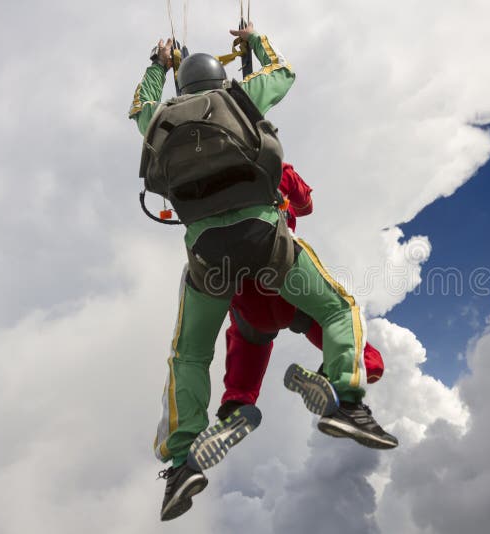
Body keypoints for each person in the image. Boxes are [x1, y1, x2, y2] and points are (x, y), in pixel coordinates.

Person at [128, 24, 397, 522]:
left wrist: (156, 65)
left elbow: (138, 108)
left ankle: (182, 460)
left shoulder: (159, 121)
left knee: (190, 355)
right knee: (339, 312)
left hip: (210, 262)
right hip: (270, 249)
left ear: (180, 85)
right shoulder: (240, 99)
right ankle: (348, 399)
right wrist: (254, 41)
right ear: (218, 77)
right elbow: (285, 73)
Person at [218, 162, 386, 421]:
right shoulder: (274, 166)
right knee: (344, 329)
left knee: (246, 337)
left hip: (242, 283)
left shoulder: (209, 182)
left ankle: (236, 403)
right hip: (287, 274)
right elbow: (306, 205)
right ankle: (336, 375)